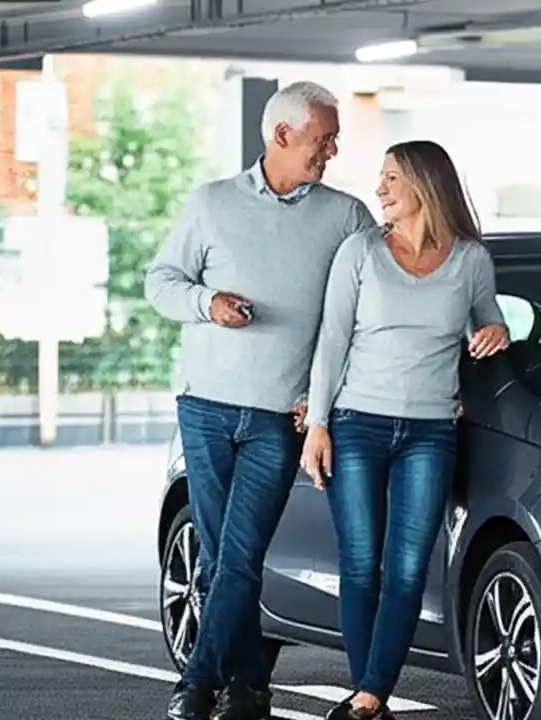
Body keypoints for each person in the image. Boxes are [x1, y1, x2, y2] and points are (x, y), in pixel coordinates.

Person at [145, 80, 377, 720]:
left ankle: (196, 682)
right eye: (322, 137)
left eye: (332, 139)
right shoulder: (211, 203)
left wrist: (322, 399)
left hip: (283, 417)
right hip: (205, 407)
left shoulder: (348, 217)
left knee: (240, 552)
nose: (332, 148)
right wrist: (206, 304)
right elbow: (160, 282)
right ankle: (248, 686)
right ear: (282, 135)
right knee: (224, 555)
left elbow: (364, 318)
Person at [299, 140, 509, 720]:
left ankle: (370, 695)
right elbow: (332, 342)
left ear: (424, 184)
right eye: (382, 178)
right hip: (357, 423)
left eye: (391, 178)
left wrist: (496, 331)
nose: (380, 189)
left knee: (411, 567)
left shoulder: (470, 260)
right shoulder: (359, 252)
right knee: (362, 562)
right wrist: (318, 425)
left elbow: (486, 318)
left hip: (431, 431)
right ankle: (371, 693)